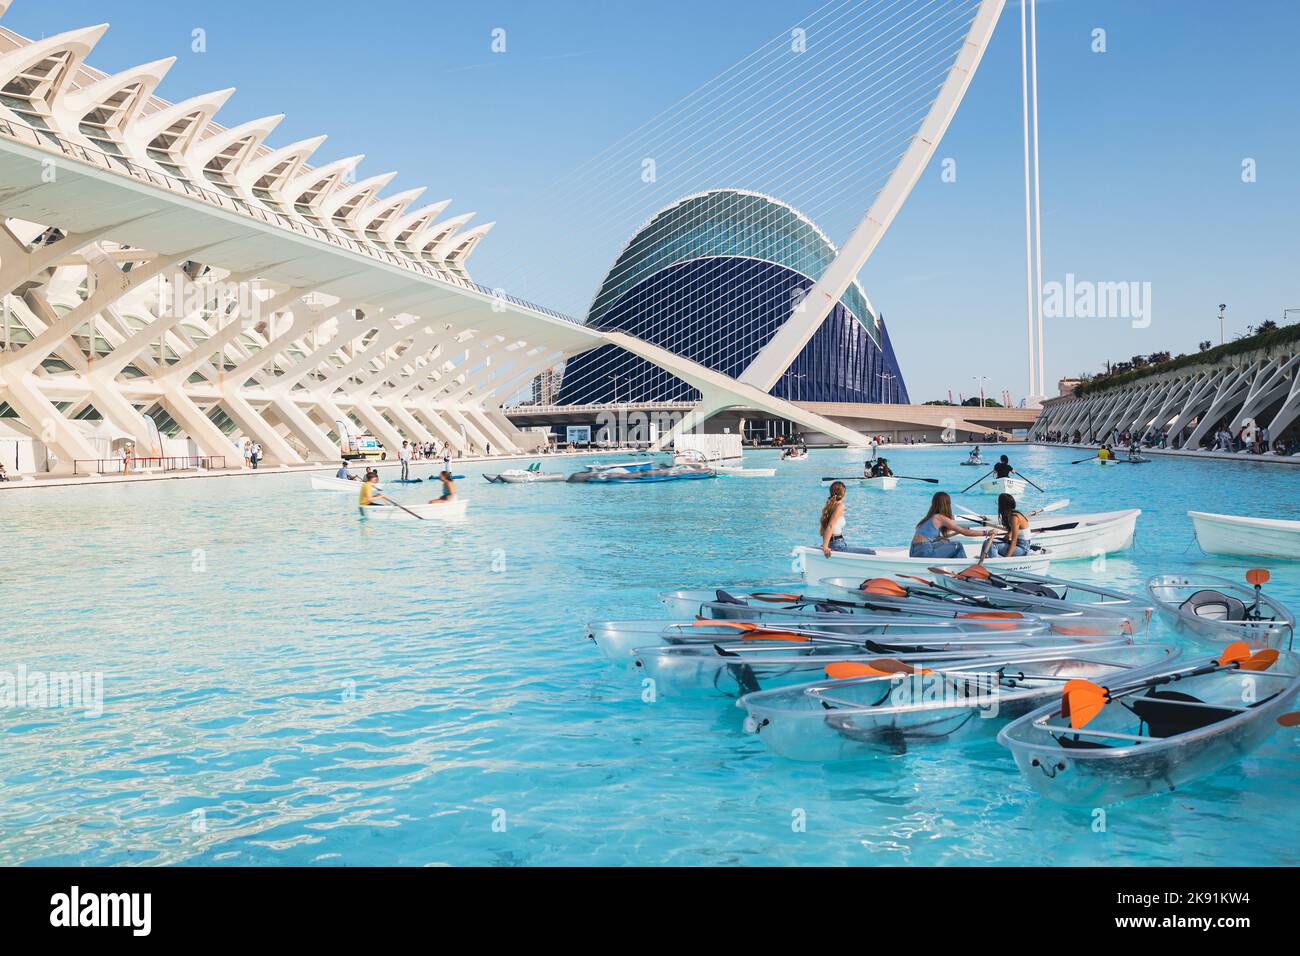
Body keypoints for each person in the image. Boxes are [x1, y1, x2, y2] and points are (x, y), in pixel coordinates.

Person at [909, 491, 994, 559]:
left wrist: (944, 540)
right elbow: (965, 532)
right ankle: (963, 569)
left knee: (946, 542)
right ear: (947, 504)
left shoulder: (928, 518)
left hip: (913, 551)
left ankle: (952, 567)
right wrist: (987, 533)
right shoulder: (940, 518)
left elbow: (930, 538)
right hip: (924, 552)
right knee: (957, 546)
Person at [819, 481, 875, 556]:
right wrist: (825, 547)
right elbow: (830, 526)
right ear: (843, 493)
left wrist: (825, 544)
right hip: (837, 545)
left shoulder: (829, 505)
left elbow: (825, 527)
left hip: (833, 543)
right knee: (871, 552)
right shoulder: (840, 506)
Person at [980, 493, 1031, 558]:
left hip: (1022, 549)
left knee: (992, 544)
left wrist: (1007, 558)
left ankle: (994, 562)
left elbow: (1014, 541)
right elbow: (1007, 528)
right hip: (1017, 545)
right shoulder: (1010, 515)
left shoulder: (1014, 517)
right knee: (987, 542)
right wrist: (988, 519)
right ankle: (983, 559)